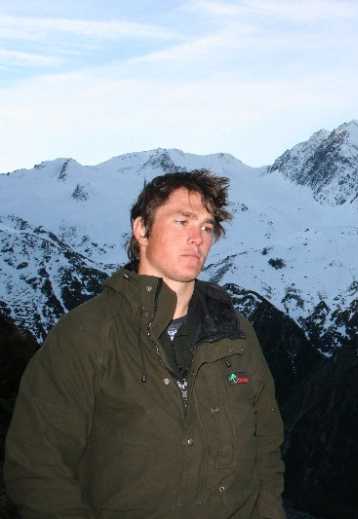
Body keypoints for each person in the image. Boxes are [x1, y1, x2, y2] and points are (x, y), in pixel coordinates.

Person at [4, 170, 285, 518]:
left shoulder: (236, 333)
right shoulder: (87, 333)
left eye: (207, 227)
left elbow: (267, 445)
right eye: (182, 221)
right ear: (141, 229)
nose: (197, 238)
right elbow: (36, 464)